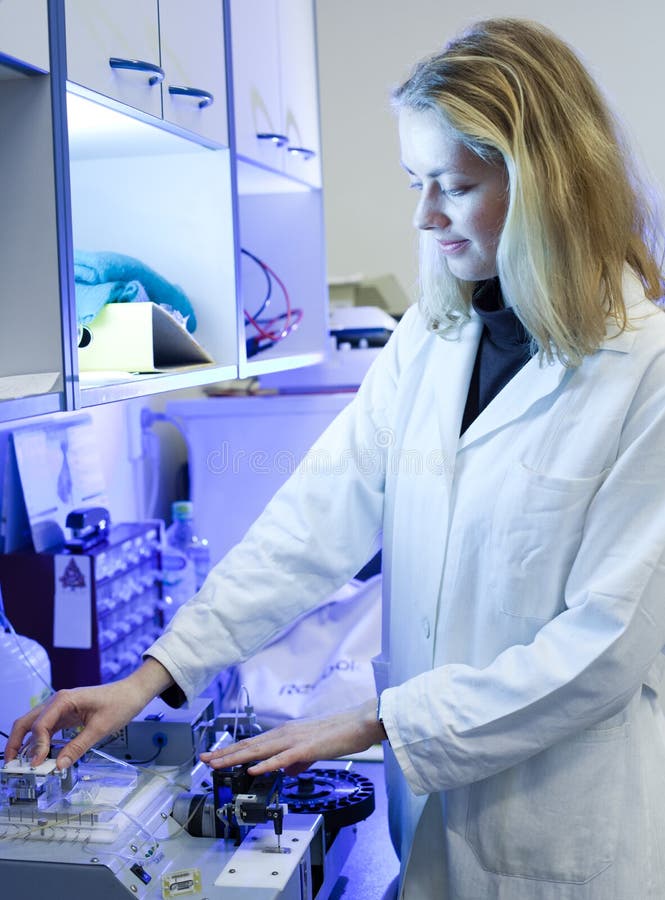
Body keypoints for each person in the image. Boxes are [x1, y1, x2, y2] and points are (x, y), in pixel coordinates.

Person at [7, 17, 665, 899]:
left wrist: (371, 722)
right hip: (427, 828)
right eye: (414, 182)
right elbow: (313, 521)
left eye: (454, 185)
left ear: (547, 185)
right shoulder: (434, 340)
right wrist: (151, 676)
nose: (424, 216)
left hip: (562, 843)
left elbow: (602, 648)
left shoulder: (645, 373)